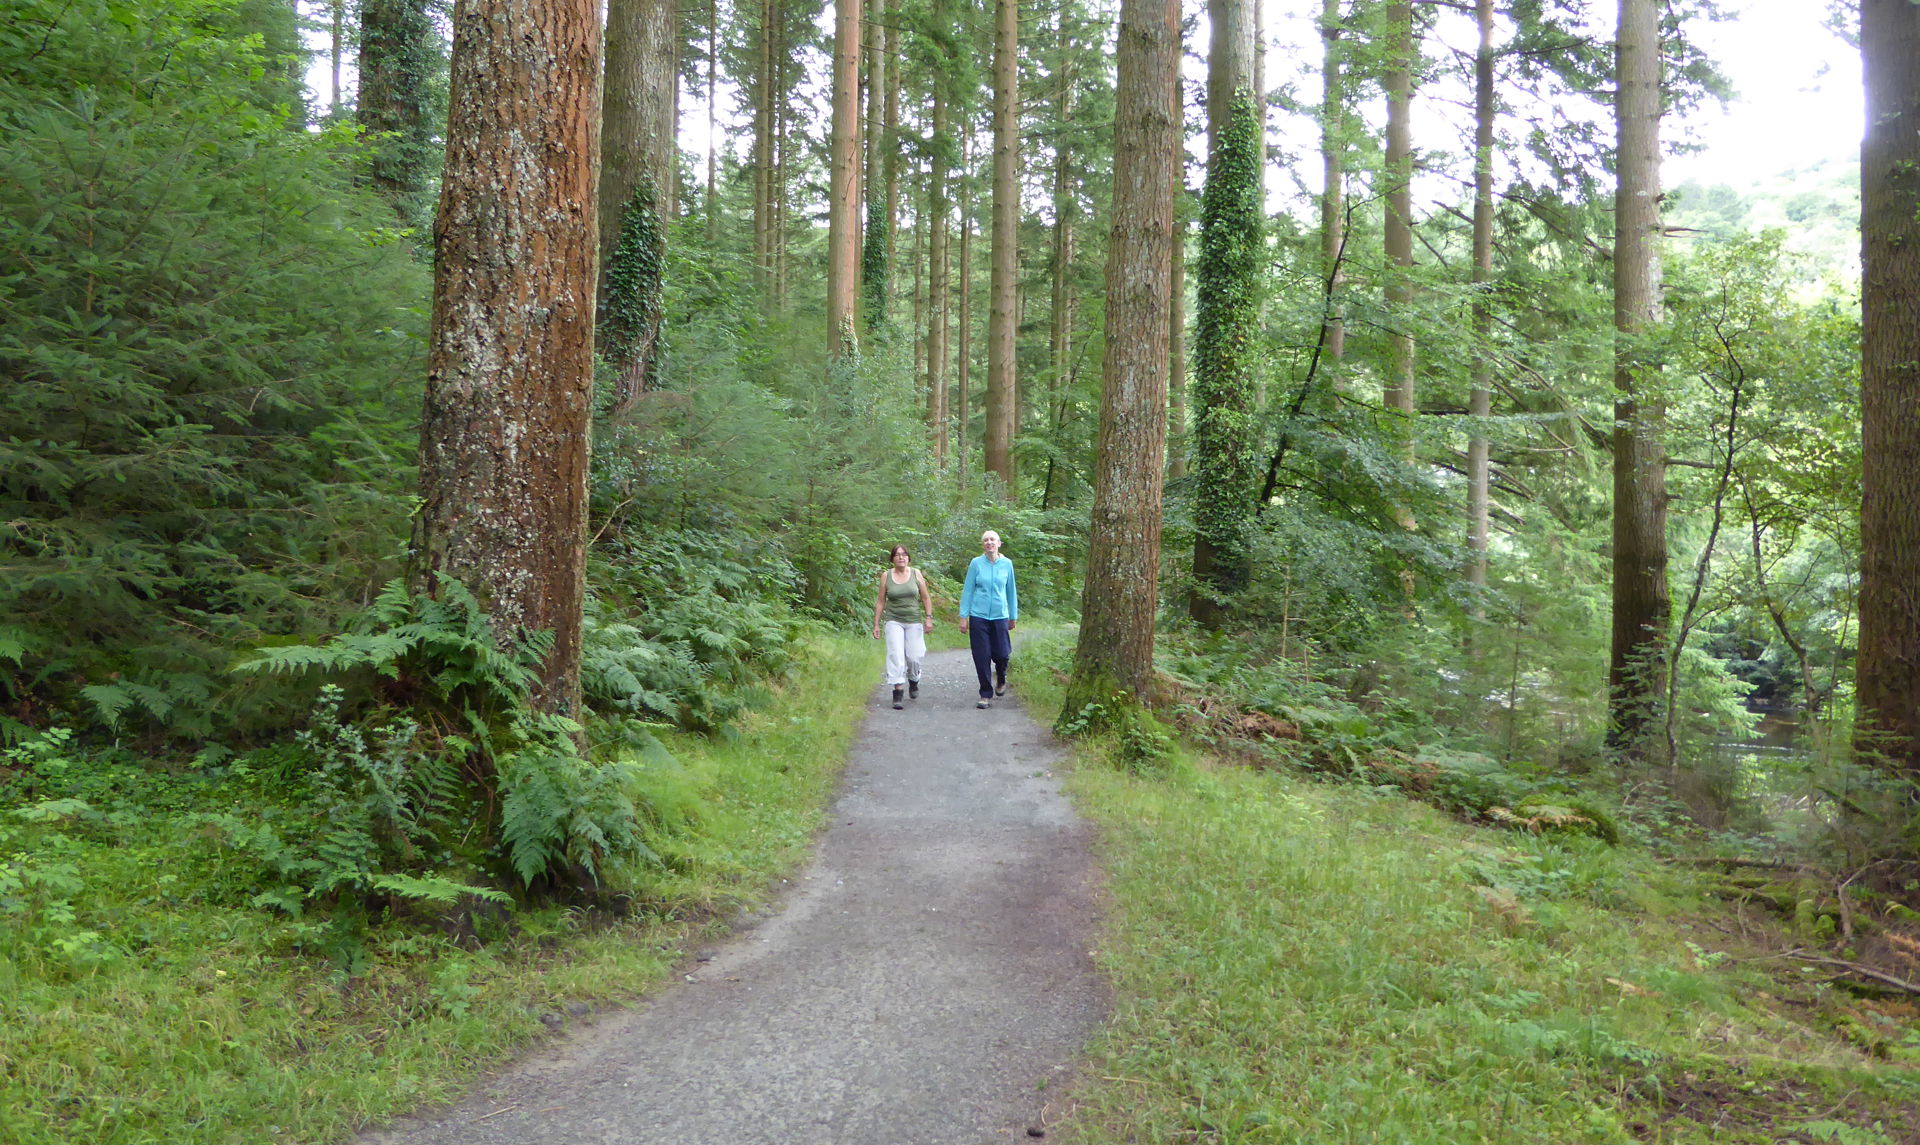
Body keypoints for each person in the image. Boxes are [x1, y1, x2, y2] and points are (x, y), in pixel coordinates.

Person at [958, 529, 1017, 709]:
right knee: (981, 655)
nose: (989, 543)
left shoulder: (1007, 564)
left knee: (1002, 653)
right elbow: (968, 590)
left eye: (992, 540)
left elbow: (1011, 591)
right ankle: (985, 694)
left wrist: (1013, 616)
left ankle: (1001, 678)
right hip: (979, 615)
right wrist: (963, 616)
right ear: (983, 545)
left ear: (999, 544)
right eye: (986, 540)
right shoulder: (976, 564)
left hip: (1000, 615)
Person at [871, 544, 933, 710]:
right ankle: (897, 691)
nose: (901, 557)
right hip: (893, 620)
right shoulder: (886, 576)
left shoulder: (916, 573)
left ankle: (914, 679)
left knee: (914, 656)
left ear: (908, 557)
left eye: (904, 554)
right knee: (896, 654)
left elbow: (926, 598)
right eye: (897, 555)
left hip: (913, 620)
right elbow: (881, 601)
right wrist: (876, 624)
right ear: (892, 559)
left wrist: (928, 618)